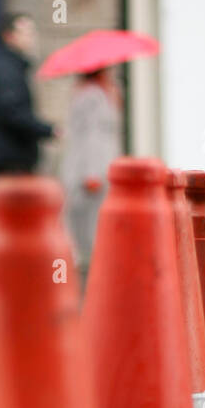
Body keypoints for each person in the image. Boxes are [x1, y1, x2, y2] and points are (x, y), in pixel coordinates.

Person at [0, 13, 57, 176]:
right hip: (11, 160)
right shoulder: (6, 71)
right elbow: (12, 112)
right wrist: (46, 130)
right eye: (26, 33)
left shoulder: (13, 68)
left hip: (14, 158)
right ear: (9, 36)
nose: (32, 39)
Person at [60, 68, 122, 269]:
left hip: (92, 167)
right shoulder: (93, 97)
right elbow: (93, 136)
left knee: (89, 226)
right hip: (91, 170)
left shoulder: (93, 94)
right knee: (90, 227)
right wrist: (92, 173)